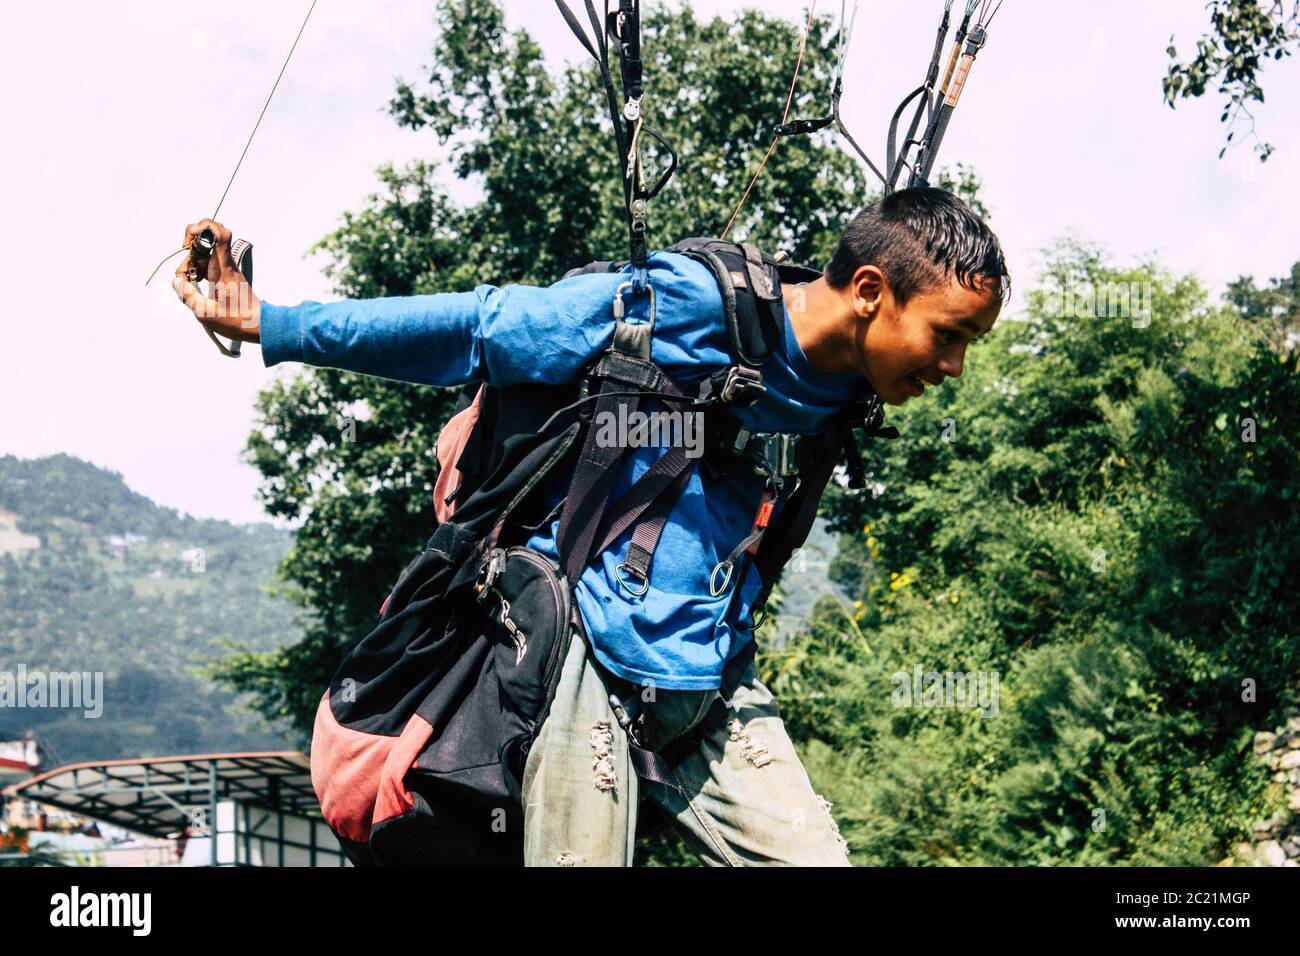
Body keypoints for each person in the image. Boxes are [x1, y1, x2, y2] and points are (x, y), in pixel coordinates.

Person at [173, 186, 1009, 866]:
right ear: (868, 292)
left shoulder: (848, 384)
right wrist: (274, 324)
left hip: (710, 686)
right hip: (587, 668)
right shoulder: (683, 308)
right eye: (949, 335)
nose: (954, 366)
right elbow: (483, 327)